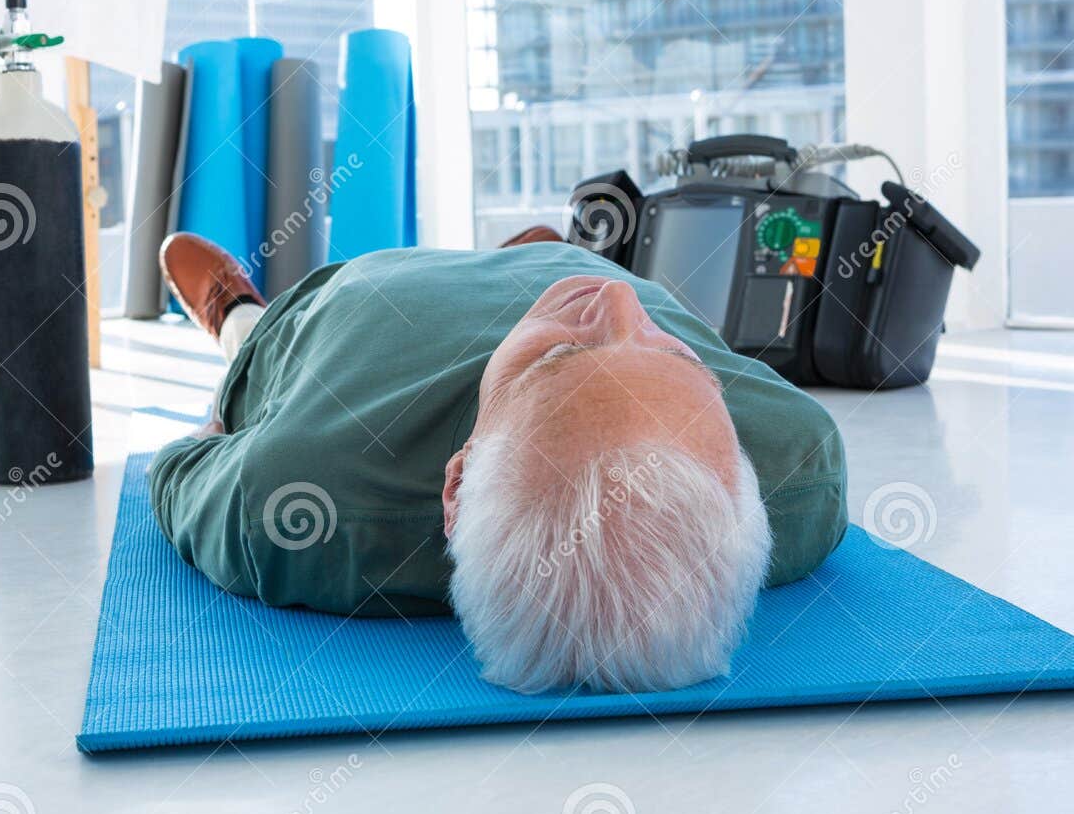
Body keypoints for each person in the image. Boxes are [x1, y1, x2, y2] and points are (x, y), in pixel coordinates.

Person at [151, 228, 846, 695]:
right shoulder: (800, 463)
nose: (621, 294)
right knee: (566, 268)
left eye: (558, 357)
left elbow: (184, 464)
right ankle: (530, 258)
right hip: (554, 269)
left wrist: (228, 414)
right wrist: (561, 311)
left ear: (457, 483)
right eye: (677, 357)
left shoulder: (297, 500)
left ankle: (239, 314)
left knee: (250, 354)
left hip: (357, 295)